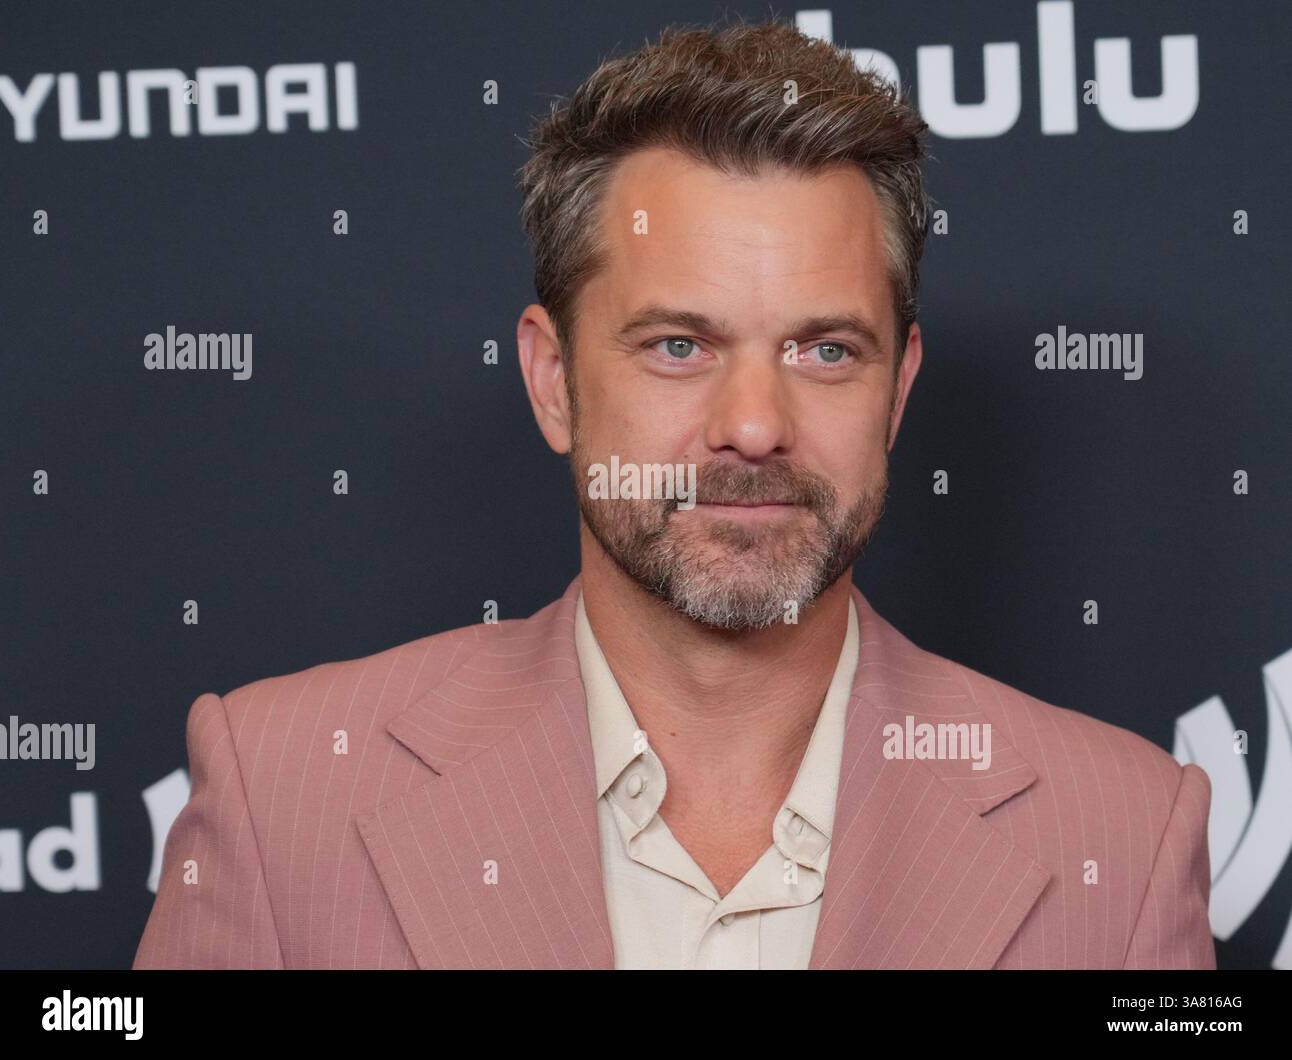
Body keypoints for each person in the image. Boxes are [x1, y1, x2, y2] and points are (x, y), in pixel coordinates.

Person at [133, 17, 1215, 970]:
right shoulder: (285, 796)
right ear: (554, 382)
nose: (753, 423)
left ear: (897, 390)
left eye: (826, 350)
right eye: (679, 344)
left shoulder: (1117, 837)